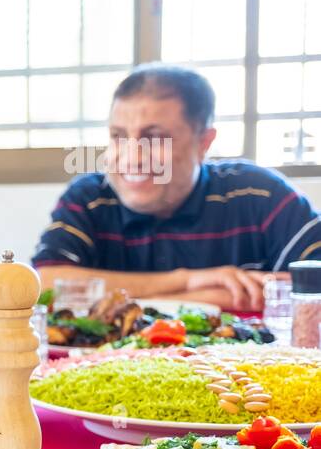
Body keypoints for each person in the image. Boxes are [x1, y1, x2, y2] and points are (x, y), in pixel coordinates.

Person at [32, 64, 321, 311]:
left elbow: (313, 288)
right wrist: (190, 281)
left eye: (154, 138)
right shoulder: (89, 198)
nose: (131, 158)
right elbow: (44, 287)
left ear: (203, 143)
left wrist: (129, 301)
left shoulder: (262, 195)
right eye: (118, 137)